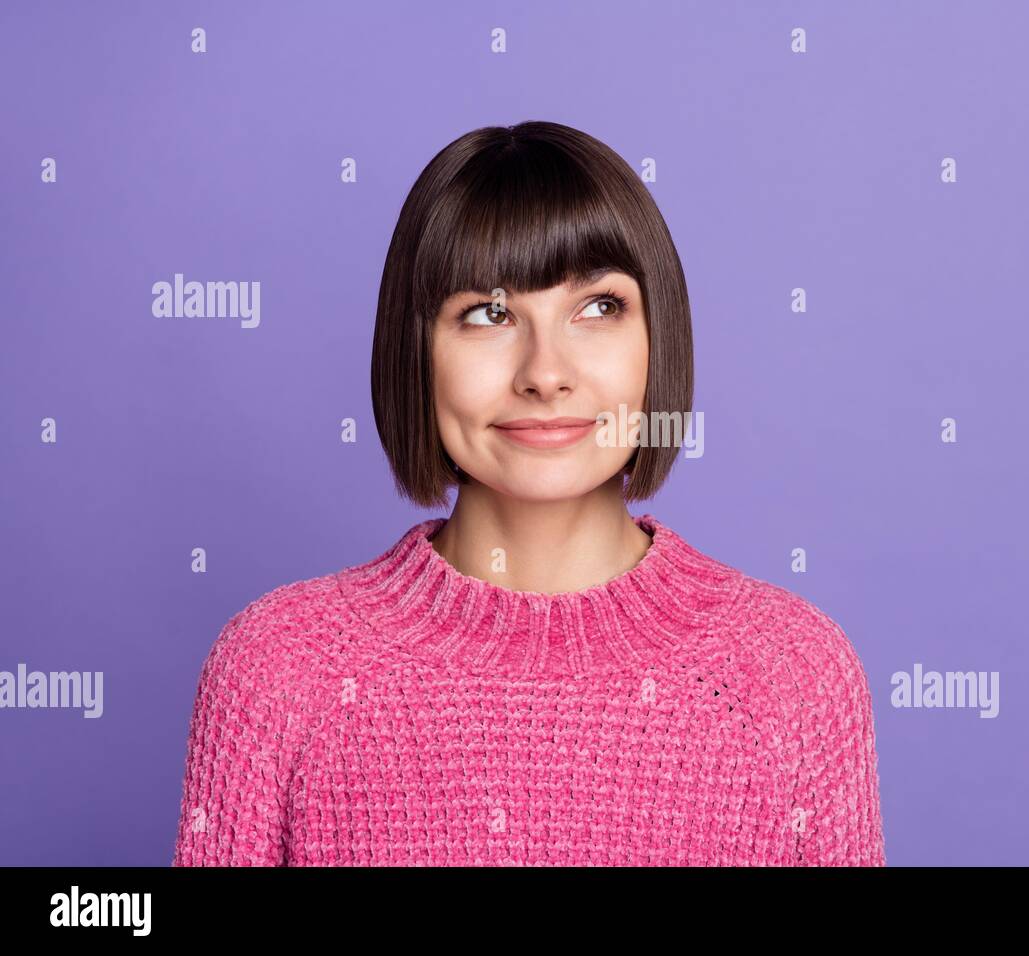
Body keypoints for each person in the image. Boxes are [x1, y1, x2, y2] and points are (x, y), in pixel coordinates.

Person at [171, 120, 885, 866]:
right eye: (489, 313)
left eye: (598, 308)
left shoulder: (792, 676)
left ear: (658, 341)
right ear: (416, 354)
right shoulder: (278, 673)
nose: (545, 373)